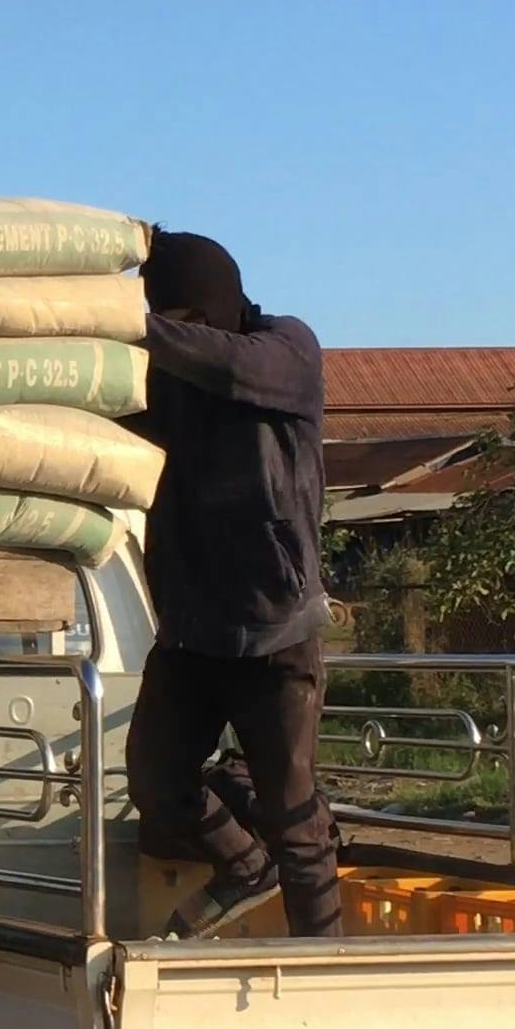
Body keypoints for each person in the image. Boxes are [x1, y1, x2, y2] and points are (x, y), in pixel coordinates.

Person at [127, 230, 343, 937]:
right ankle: (244, 866)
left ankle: (325, 965)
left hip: (274, 629)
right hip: (190, 629)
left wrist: (125, 324)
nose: (184, 334)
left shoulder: (286, 349)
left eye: (192, 319)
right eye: (169, 320)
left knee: (295, 817)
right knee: (156, 784)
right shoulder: (161, 376)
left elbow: (226, 362)